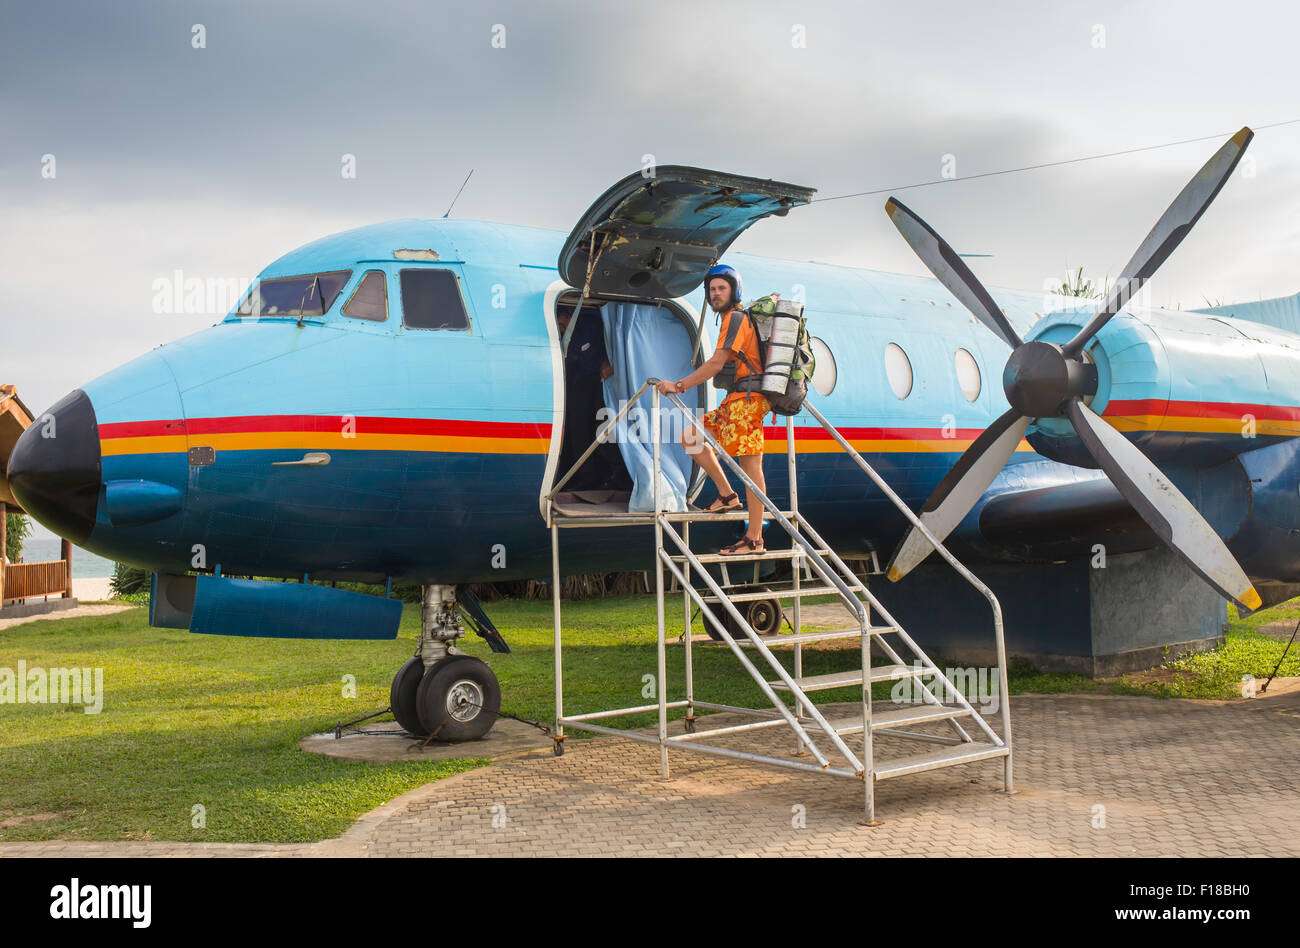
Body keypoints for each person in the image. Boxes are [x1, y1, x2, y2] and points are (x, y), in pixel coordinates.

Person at [656, 264, 769, 556]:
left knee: (750, 468)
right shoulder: (728, 320)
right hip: (734, 400)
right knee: (691, 437)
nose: (716, 293)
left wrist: (678, 385)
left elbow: (716, 363)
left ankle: (754, 539)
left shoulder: (735, 318)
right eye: (712, 289)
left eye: (722, 288)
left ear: (734, 290)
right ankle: (727, 495)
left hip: (748, 400)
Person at [556, 305, 620, 491]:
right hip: (580, 384)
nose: (560, 327)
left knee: (603, 430)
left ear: (569, 315)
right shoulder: (567, 336)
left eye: (561, 322)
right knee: (578, 431)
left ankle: (616, 475)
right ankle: (586, 477)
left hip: (600, 384)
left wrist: (605, 362)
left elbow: (607, 350)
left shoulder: (589, 323)